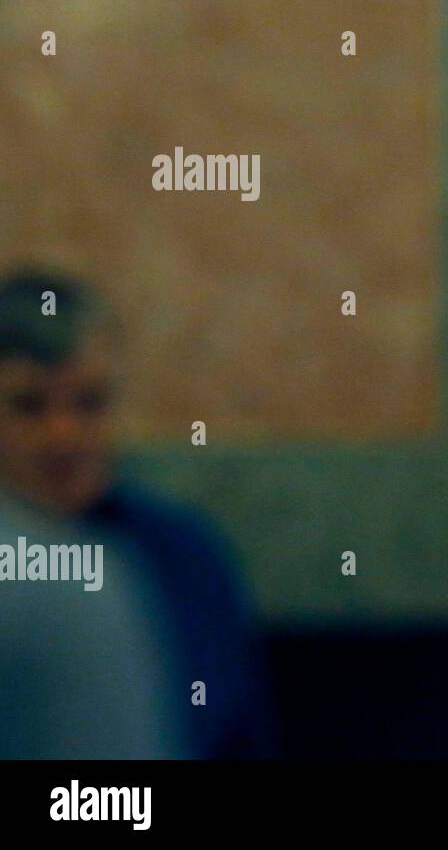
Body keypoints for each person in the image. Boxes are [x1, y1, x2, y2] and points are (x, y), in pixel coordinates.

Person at [0, 268, 278, 757]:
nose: (63, 434)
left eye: (89, 403)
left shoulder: (183, 556)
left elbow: (239, 736)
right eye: (29, 406)